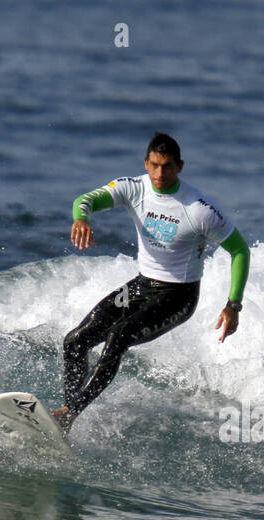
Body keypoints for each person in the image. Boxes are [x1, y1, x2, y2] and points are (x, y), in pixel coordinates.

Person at [53, 131, 250, 432]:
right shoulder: (134, 189)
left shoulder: (200, 209)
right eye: (155, 165)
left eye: (168, 166)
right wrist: (82, 218)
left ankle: (71, 413)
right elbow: (86, 200)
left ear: (179, 167)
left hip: (178, 296)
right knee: (75, 342)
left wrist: (233, 304)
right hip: (142, 285)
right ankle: (67, 415)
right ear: (145, 163)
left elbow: (239, 250)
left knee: (118, 338)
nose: (160, 173)